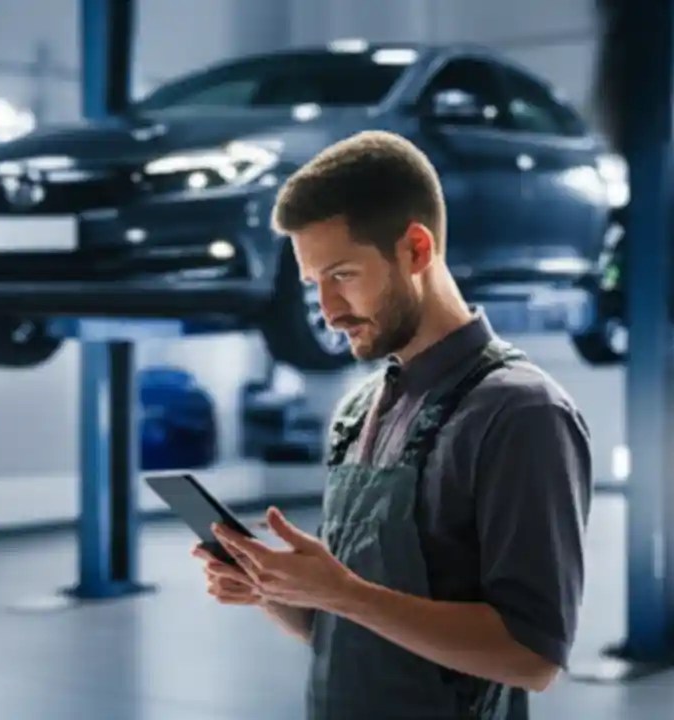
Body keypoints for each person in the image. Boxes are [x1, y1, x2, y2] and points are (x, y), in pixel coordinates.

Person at [193, 130, 592, 719]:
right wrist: (276, 591)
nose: (328, 312)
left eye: (343, 275)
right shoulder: (359, 412)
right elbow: (358, 631)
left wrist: (346, 594)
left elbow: (531, 656)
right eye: (314, 285)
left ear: (416, 250)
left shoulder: (520, 413)